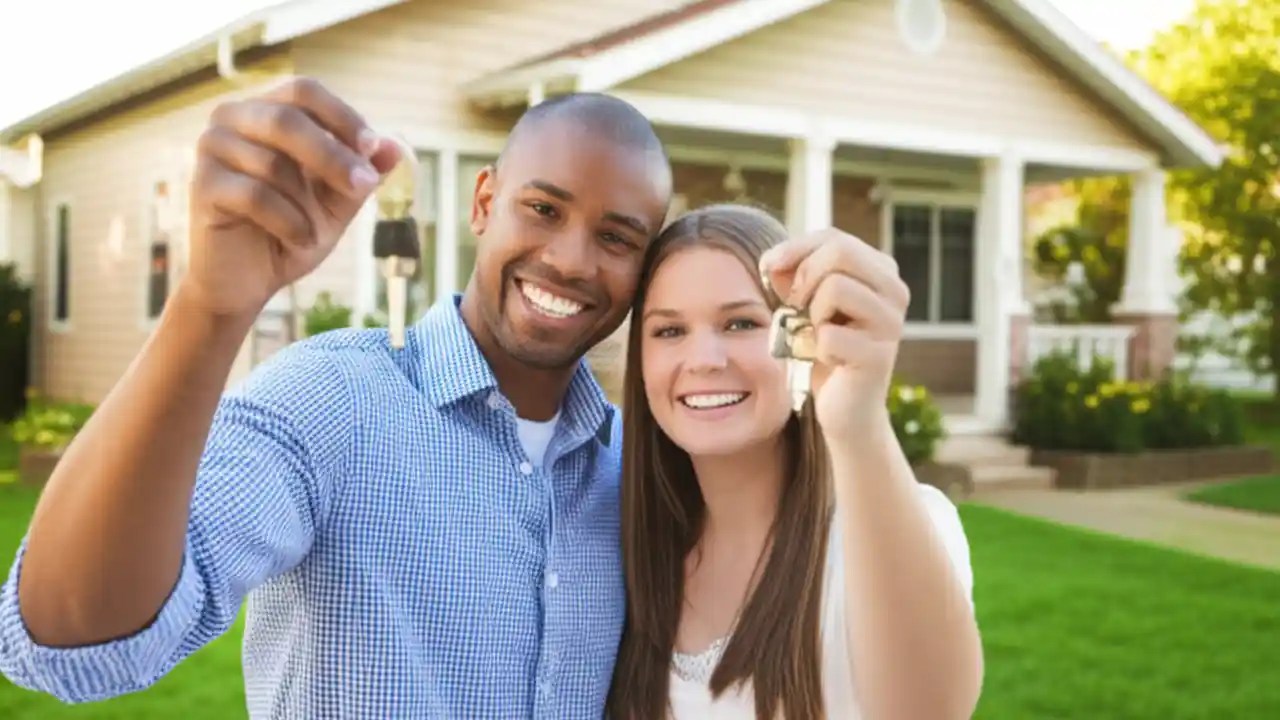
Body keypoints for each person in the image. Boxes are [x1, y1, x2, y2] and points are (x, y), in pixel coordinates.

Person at [0, 77, 673, 719]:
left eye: (616, 238)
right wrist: (209, 305)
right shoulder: (331, 402)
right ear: (483, 203)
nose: (572, 260)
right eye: (543, 209)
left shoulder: (634, 473)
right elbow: (73, 637)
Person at [606, 204, 984, 719]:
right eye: (669, 331)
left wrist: (857, 420)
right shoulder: (627, 549)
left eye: (740, 323)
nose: (704, 359)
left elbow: (929, 711)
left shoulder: (883, 530)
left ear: (799, 341)